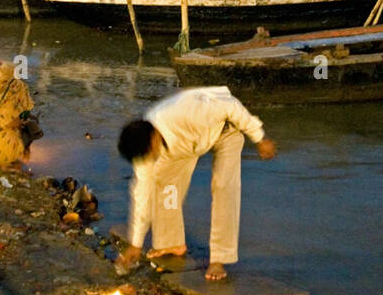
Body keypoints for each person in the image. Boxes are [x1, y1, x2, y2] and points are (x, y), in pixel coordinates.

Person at [116, 87, 277, 281]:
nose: (149, 159)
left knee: (224, 188)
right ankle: (171, 242)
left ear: (153, 140)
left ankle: (219, 258)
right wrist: (136, 243)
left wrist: (260, 138)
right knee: (166, 186)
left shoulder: (187, 113)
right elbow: (142, 194)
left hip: (225, 129)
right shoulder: (143, 149)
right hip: (185, 144)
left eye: (149, 154)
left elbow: (231, 107)